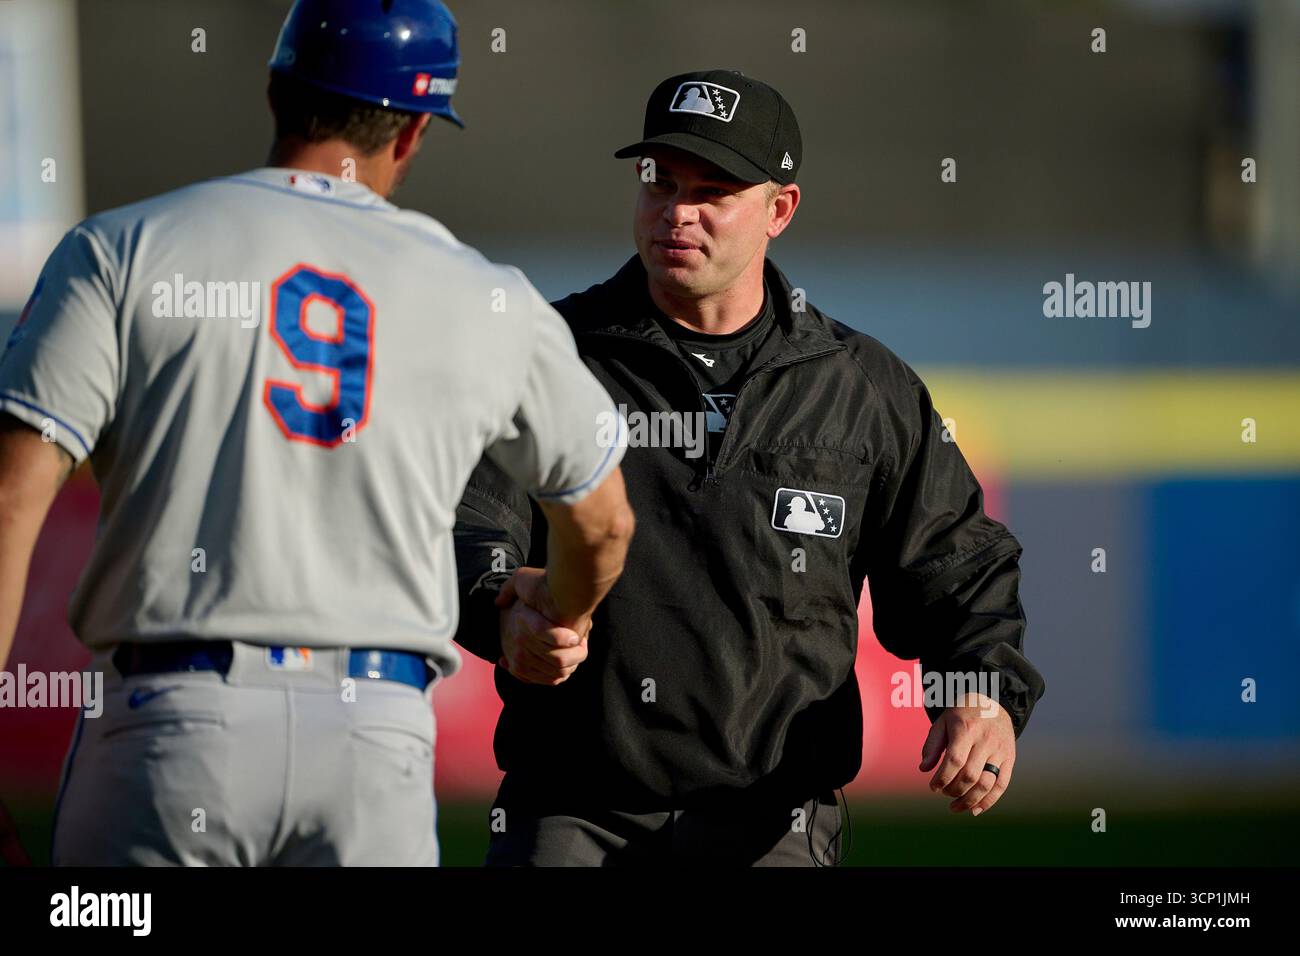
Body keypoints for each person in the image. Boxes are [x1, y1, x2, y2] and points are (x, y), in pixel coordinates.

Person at [0, 0, 633, 866]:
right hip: (374, 738)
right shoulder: (486, 295)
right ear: (413, 131)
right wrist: (558, 612)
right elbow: (603, 522)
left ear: (275, 90)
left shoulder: (121, 248)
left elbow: (8, 500)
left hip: (172, 723)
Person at [452, 69, 1046, 866]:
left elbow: (957, 573)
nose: (676, 211)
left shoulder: (861, 388)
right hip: (569, 817)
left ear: (780, 210)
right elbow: (465, 523)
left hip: (775, 829)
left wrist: (983, 693)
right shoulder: (548, 357)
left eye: (714, 189)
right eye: (660, 181)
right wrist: (499, 606)